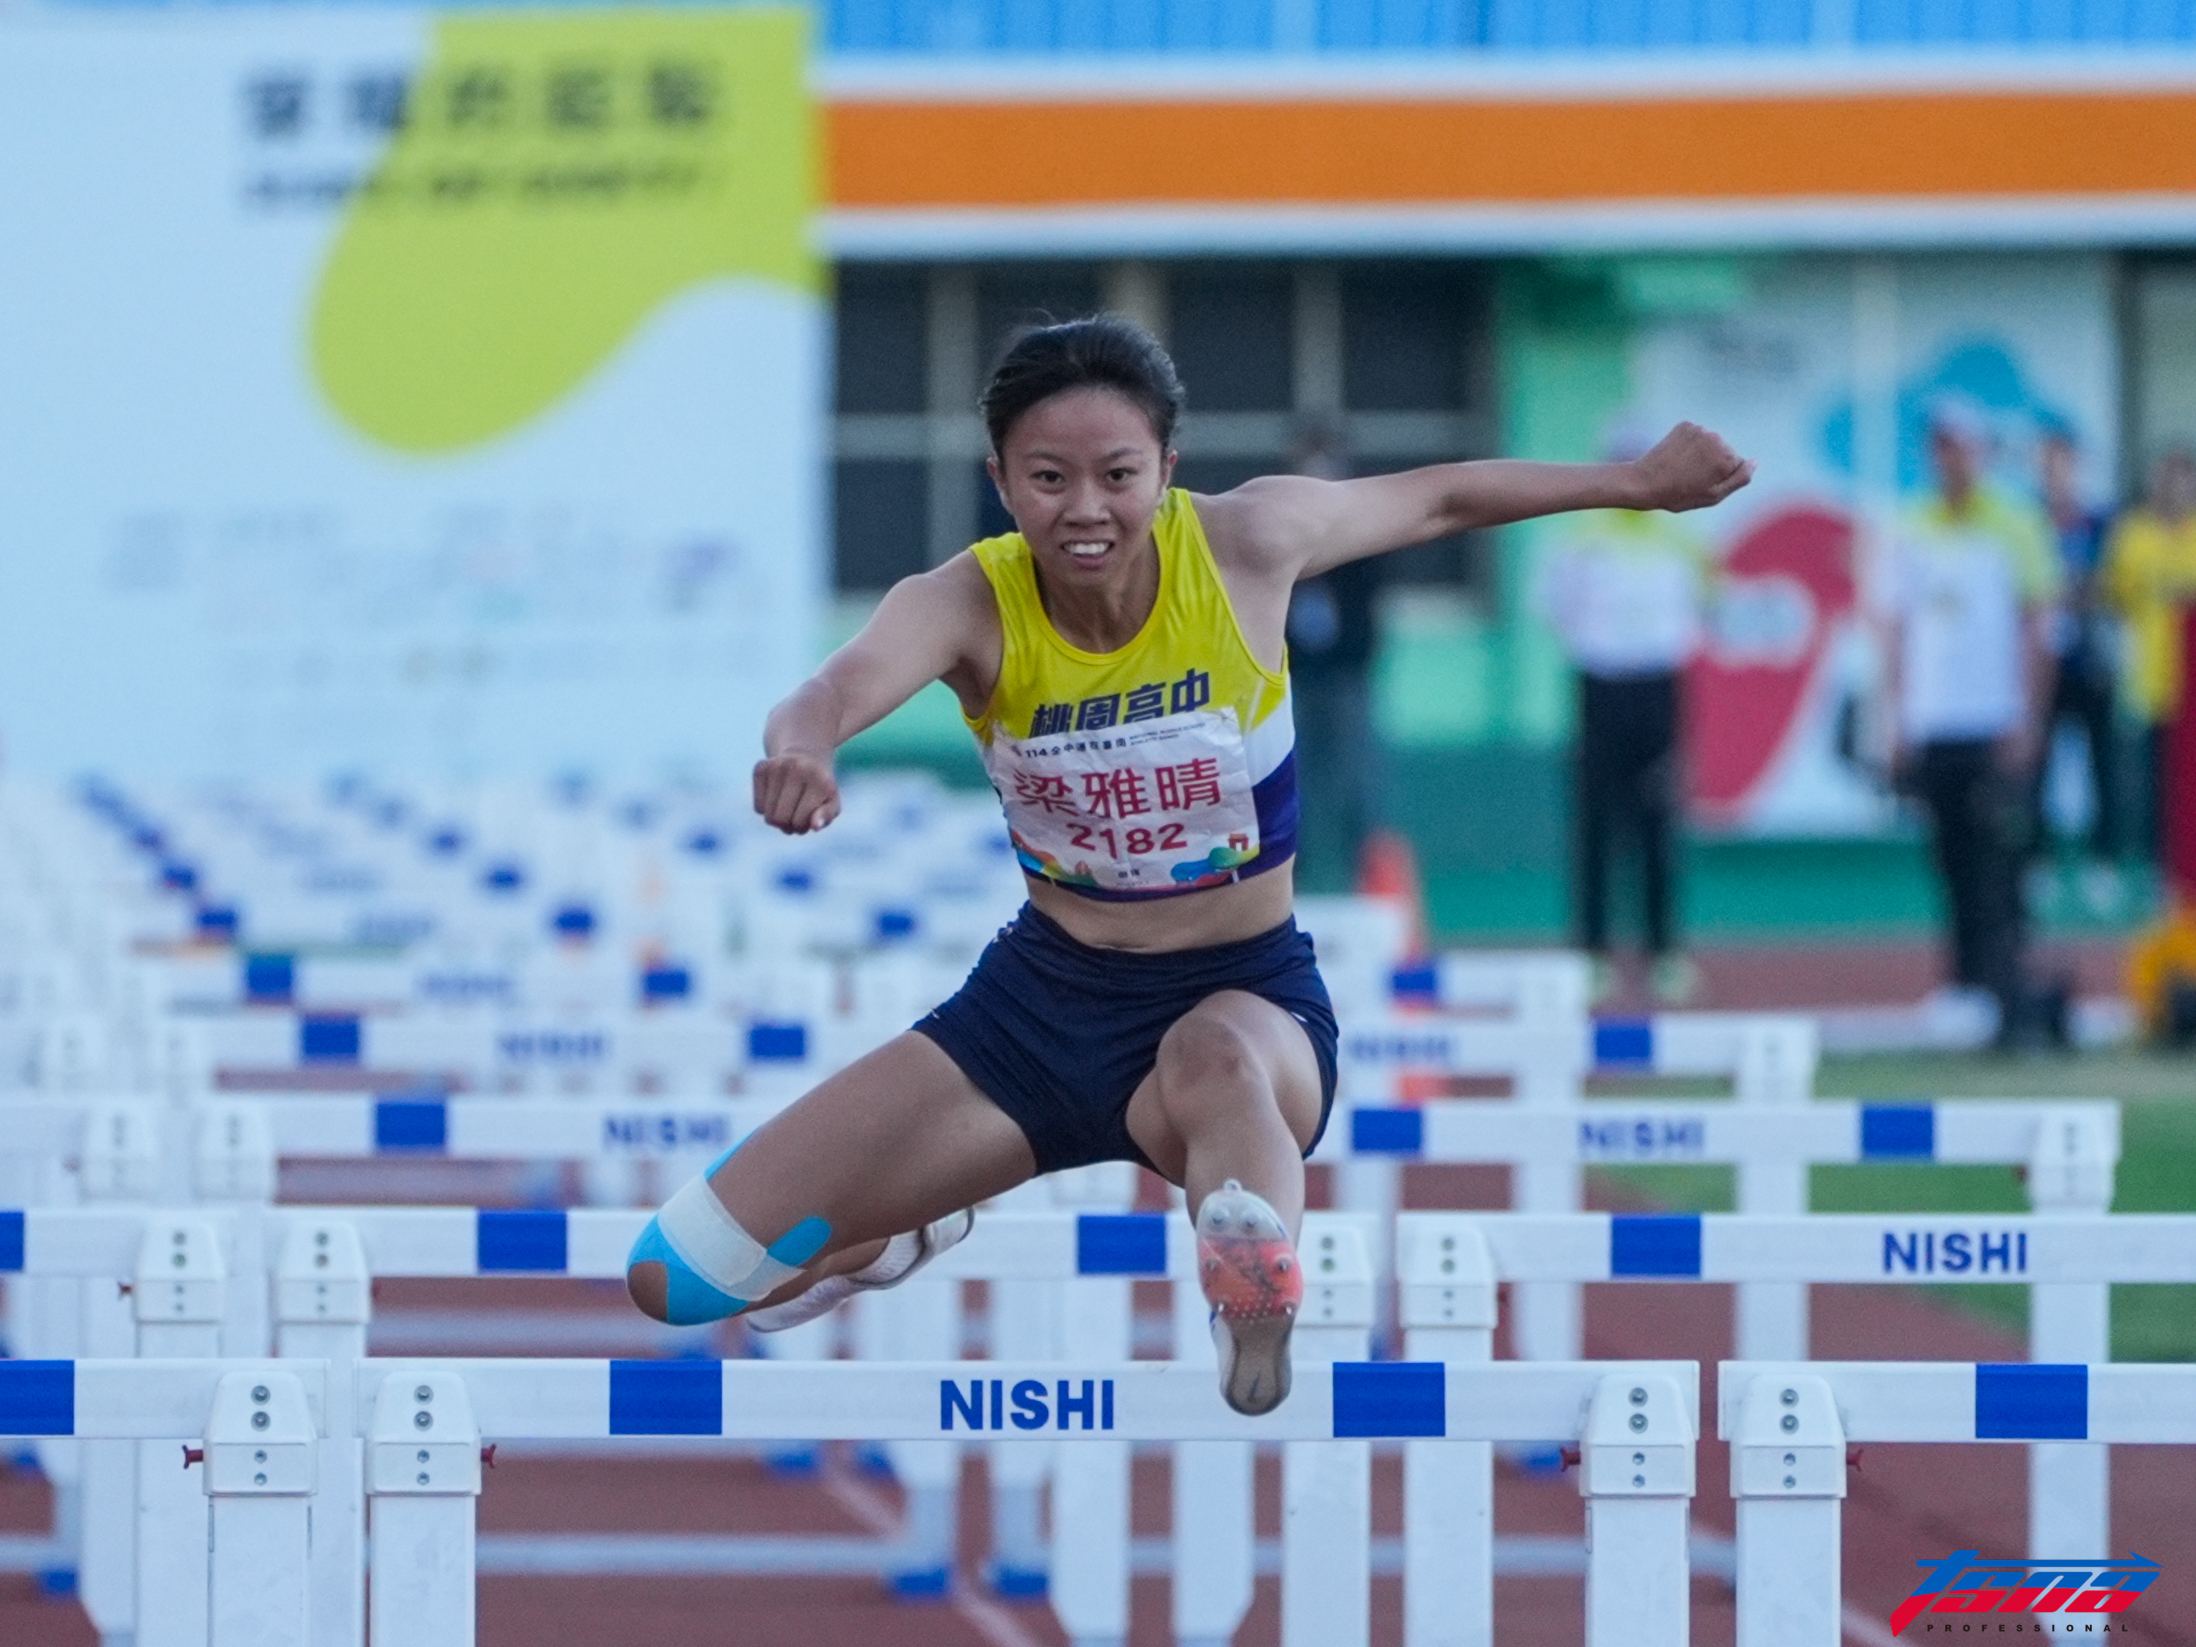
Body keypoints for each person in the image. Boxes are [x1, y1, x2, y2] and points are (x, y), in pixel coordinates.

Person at [625, 316, 1750, 1414]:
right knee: (675, 1280)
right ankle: (907, 1224)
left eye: (1117, 474)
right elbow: (830, 688)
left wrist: (1638, 485)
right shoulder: (963, 602)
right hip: (1034, 1013)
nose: (1086, 510)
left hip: (1242, 999)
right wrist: (804, 751)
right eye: (1048, 479)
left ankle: (1248, 1289)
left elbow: (1441, 497)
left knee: (1212, 1057)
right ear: (1003, 482)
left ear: (1167, 465)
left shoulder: (1250, 543)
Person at [1880, 397, 2061, 1046]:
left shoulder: (2014, 527)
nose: (1949, 457)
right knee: (1949, 858)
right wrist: (1896, 715)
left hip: (1995, 720)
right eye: (1939, 445)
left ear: (1979, 452)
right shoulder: (1912, 526)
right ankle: (1962, 984)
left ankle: (2008, 990)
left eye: (1959, 445)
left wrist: (2029, 718)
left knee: (2001, 862)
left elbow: (2038, 627)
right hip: (1936, 722)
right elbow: (1896, 631)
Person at [1533, 428, 1713, 1005]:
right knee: (1594, 828)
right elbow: (1553, 608)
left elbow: (1707, 605)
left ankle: (1665, 954)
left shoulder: (1681, 538)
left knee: (1660, 826)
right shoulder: (1581, 535)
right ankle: (1591, 955)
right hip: (1600, 685)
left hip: (1659, 687)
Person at [2031, 419, 2121, 906]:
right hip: (2045, 664)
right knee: (2037, 767)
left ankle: (2103, 863)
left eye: (2062, 463)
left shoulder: (2099, 522)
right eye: (2047, 464)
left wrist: (2074, 593)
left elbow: (2105, 585)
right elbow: (2031, 591)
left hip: (2091, 662)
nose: (2055, 473)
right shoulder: (2027, 521)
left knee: (2100, 766)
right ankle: (2040, 861)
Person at [2104, 444, 2196, 864]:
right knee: (2150, 787)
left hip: (2192, 684)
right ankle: (2156, 870)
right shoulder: (2132, 535)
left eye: (2180, 477)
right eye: (2163, 477)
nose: (2172, 487)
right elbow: (2112, 600)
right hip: (2148, 679)